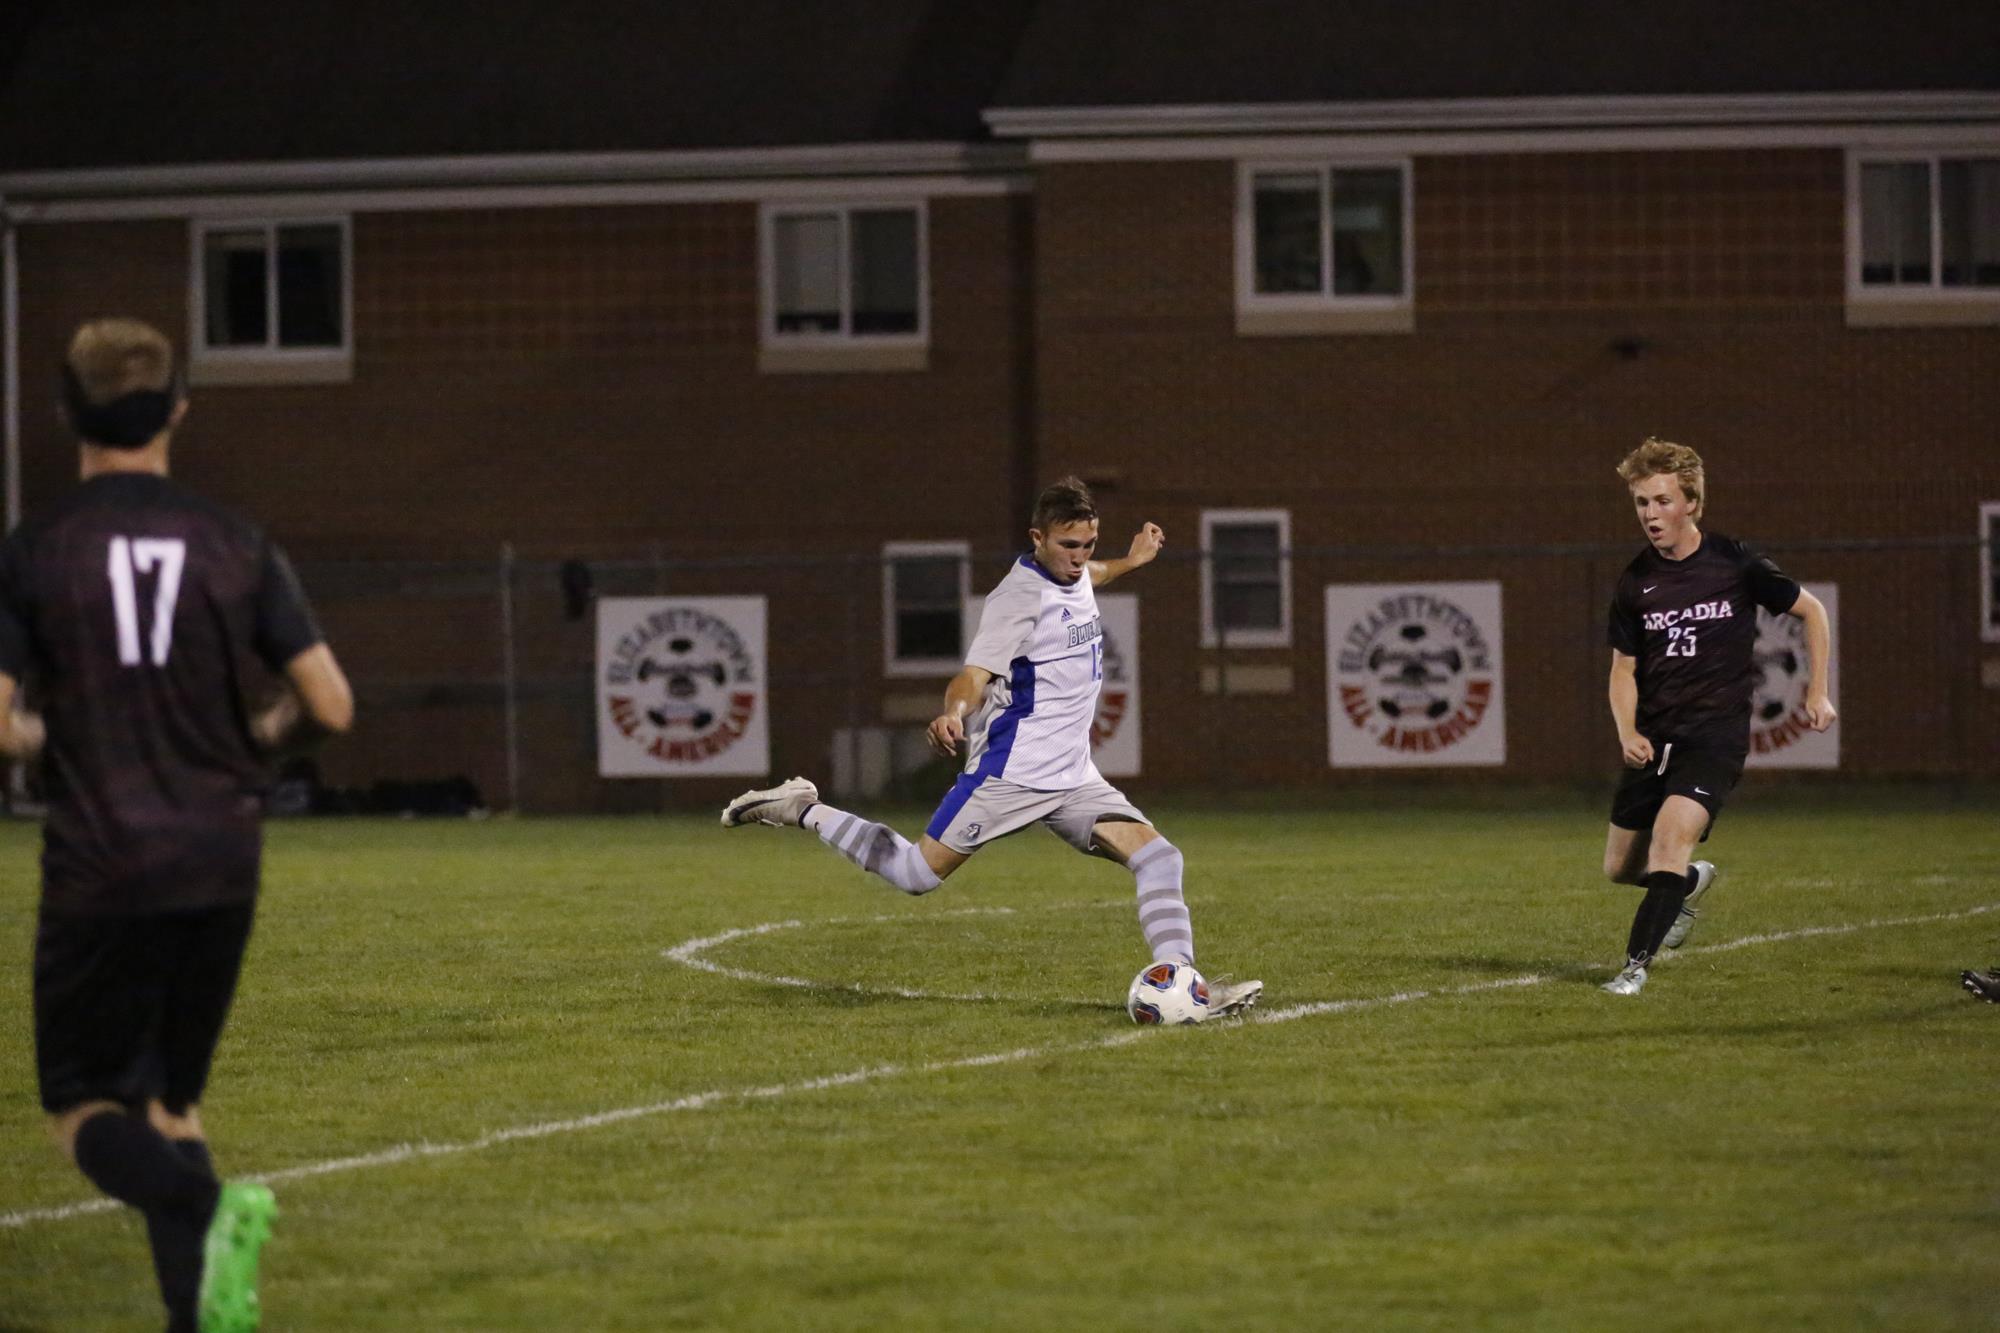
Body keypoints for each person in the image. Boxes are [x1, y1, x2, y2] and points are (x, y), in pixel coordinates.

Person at [0, 318, 353, 1331]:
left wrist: (49, 733)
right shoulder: (234, 540)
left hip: (102, 859)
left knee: (79, 1110)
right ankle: (199, 1320)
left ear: (65, 412)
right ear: (180, 410)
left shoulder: (38, 548)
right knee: (172, 1107)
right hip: (220, 850)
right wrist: (252, 740)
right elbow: (327, 706)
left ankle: (200, 1206)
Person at [722, 476, 1261, 1019]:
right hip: (1012, 773)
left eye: (1087, 545)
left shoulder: (1076, 575)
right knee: (915, 875)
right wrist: (952, 712)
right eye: (1067, 546)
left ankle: (1186, 985)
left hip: (1072, 775)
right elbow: (974, 675)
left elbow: (1091, 579)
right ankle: (802, 807)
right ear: (1036, 538)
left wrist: (1131, 560)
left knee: (1160, 858)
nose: (1078, 559)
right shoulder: (1017, 599)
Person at [1596, 438, 1834, 995]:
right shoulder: (1635, 582)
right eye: (1640, 503)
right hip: (1655, 739)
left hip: (1714, 738)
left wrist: (1816, 693)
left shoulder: (1734, 561)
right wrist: (1627, 732)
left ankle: (1632, 970)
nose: (1651, 515)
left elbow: (1813, 611)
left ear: (1692, 503)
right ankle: (1689, 884)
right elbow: (1622, 670)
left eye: (1660, 501)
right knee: (1620, 869)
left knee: (1668, 845)